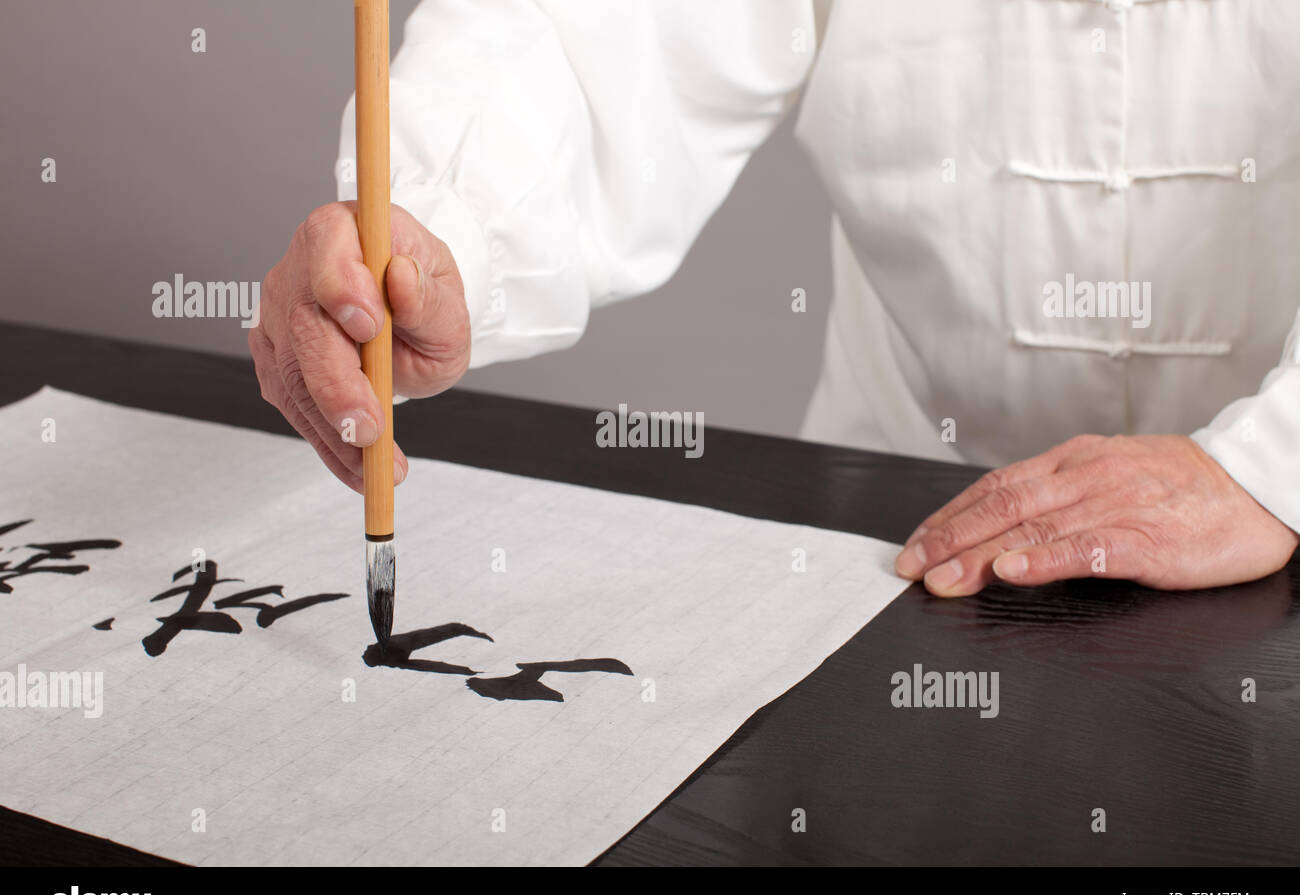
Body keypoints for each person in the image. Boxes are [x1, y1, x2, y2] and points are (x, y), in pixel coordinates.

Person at [249, 0, 1300, 598]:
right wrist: (434, 230)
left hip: (1278, 542)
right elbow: (603, 39)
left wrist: (1271, 462)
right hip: (903, 522)